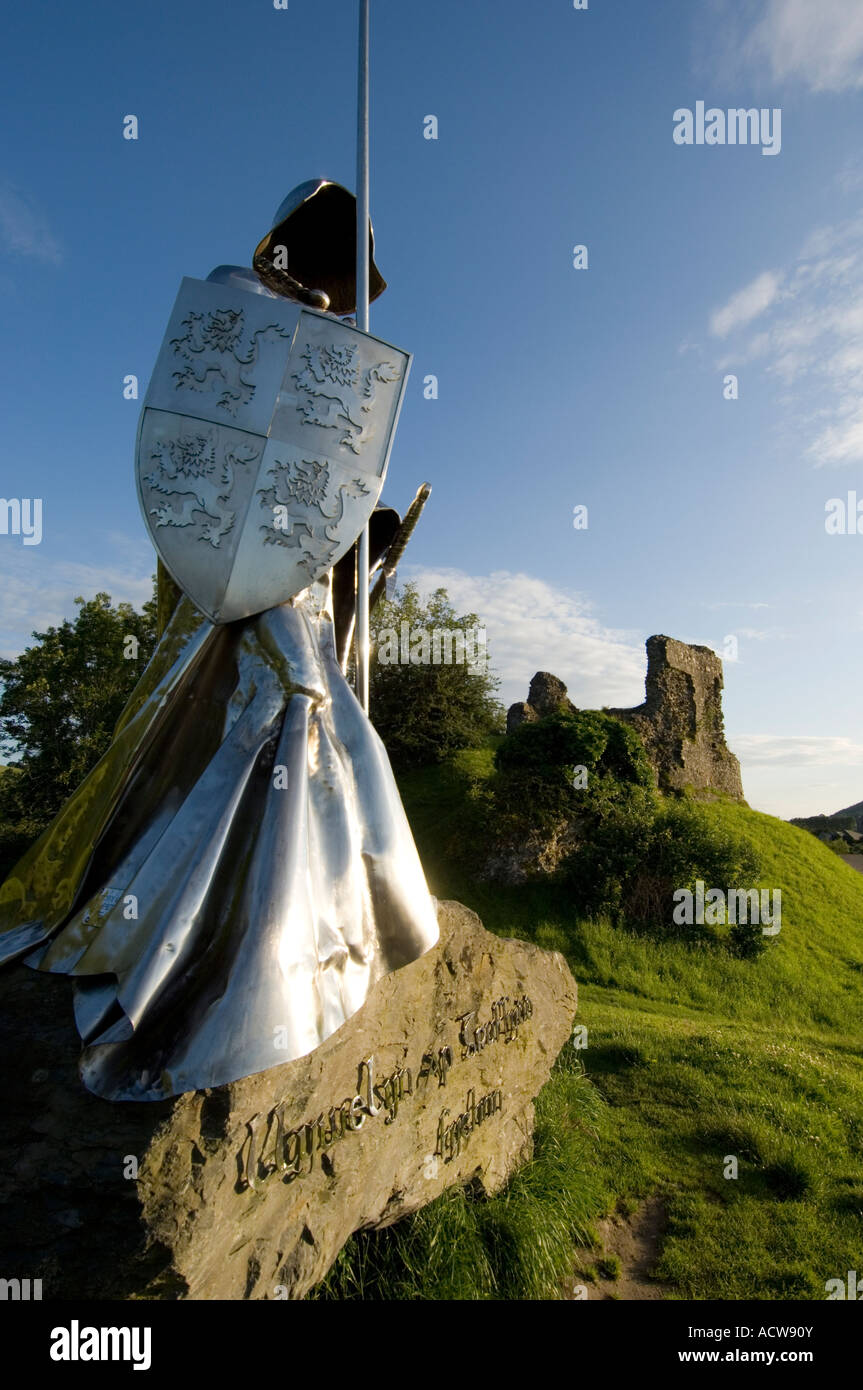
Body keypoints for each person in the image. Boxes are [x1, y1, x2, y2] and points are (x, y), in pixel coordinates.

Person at [0, 181, 439, 1101]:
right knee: (289, 711)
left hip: (300, 583)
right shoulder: (238, 302)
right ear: (298, 244)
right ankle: (237, 960)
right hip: (239, 579)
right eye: (343, 259)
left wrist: (364, 549)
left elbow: (323, 489)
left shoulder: (328, 346)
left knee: (320, 727)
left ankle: (325, 925)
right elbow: (217, 467)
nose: (351, 287)